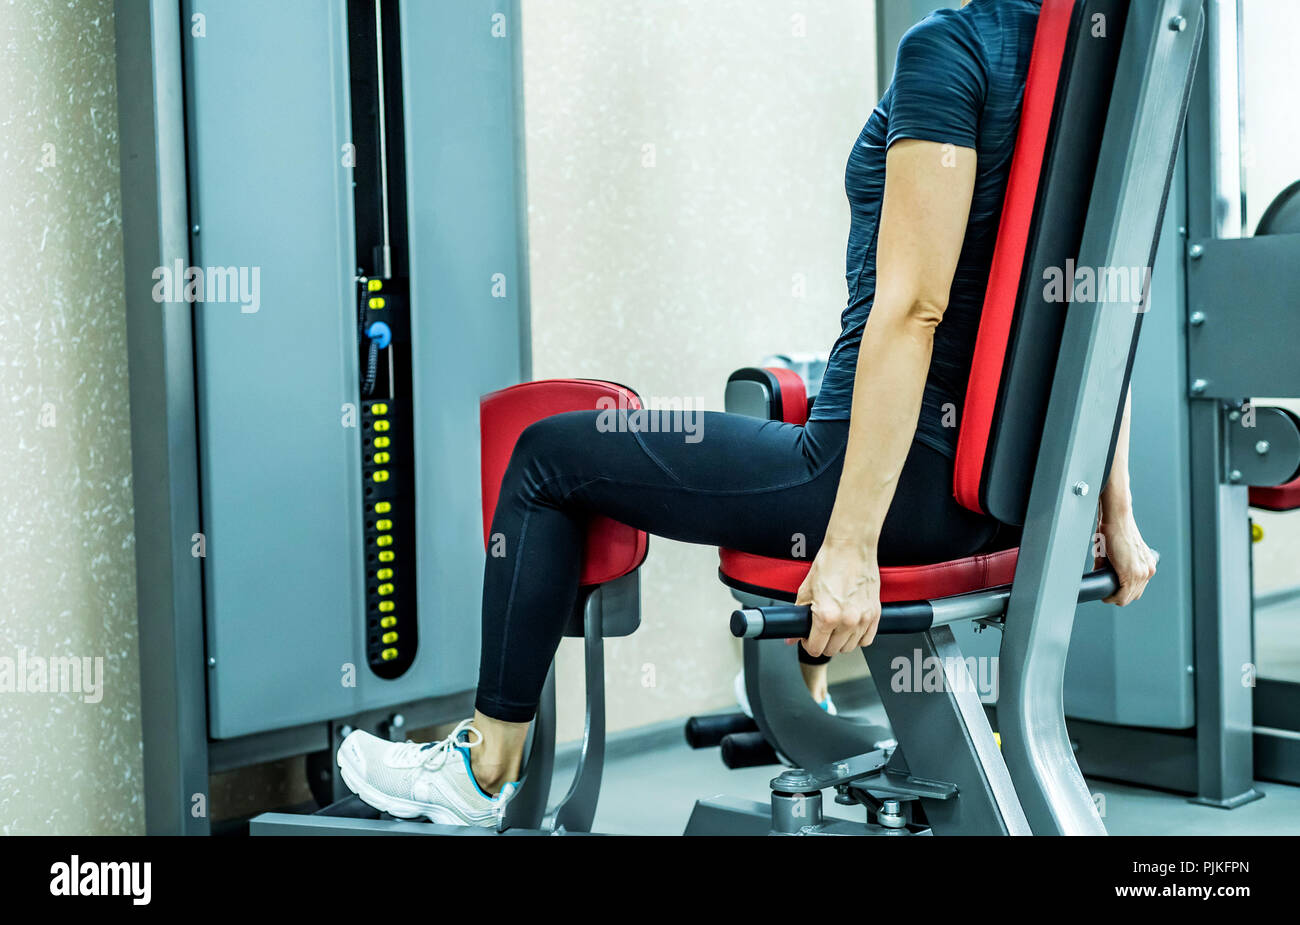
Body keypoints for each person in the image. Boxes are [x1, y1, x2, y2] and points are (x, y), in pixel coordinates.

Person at [335, 0, 1158, 827]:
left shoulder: (953, 49)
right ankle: (792, 688)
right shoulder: (1084, 64)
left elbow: (912, 309)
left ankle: (483, 767)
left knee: (547, 456)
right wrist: (1109, 506)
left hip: (882, 491)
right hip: (1000, 506)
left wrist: (848, 548)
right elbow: (1095, 317)